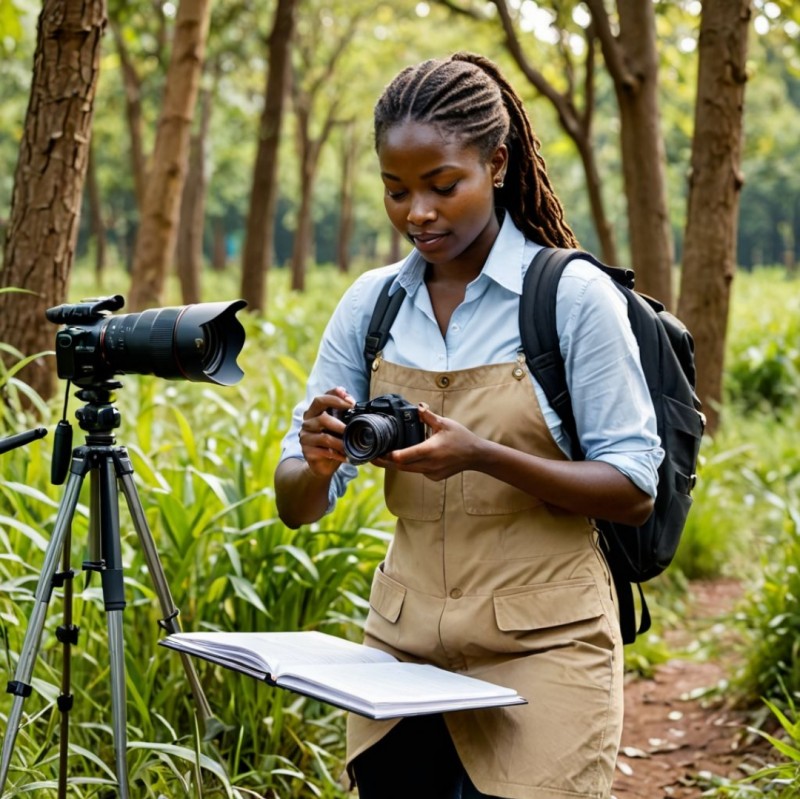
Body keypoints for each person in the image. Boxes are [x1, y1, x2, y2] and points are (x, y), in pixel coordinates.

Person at [274, 52, 663, 799]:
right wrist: (316, 460)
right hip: (402, 649)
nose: (417, 211)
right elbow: (296, 506)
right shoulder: (372, 305)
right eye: (396, 190)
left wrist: (483, 454)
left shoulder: (570, 297)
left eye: (441, 185)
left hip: (545, 649)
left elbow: (632, 486)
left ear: (497, 163)